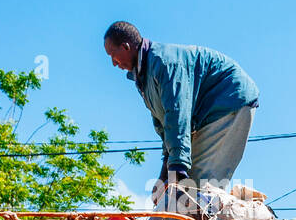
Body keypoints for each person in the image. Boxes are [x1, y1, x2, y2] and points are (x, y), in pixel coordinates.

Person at [103, 21, 259, 191]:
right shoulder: (144, 79)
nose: (113, 63)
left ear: (126, 47)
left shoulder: (164, 63)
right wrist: (163, 175)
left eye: (112, 55)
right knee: (185, 189)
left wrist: (176, 169)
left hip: (228, 101)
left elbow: (177, 114)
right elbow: (166, 127)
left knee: (195, 187)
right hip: (209, 113)